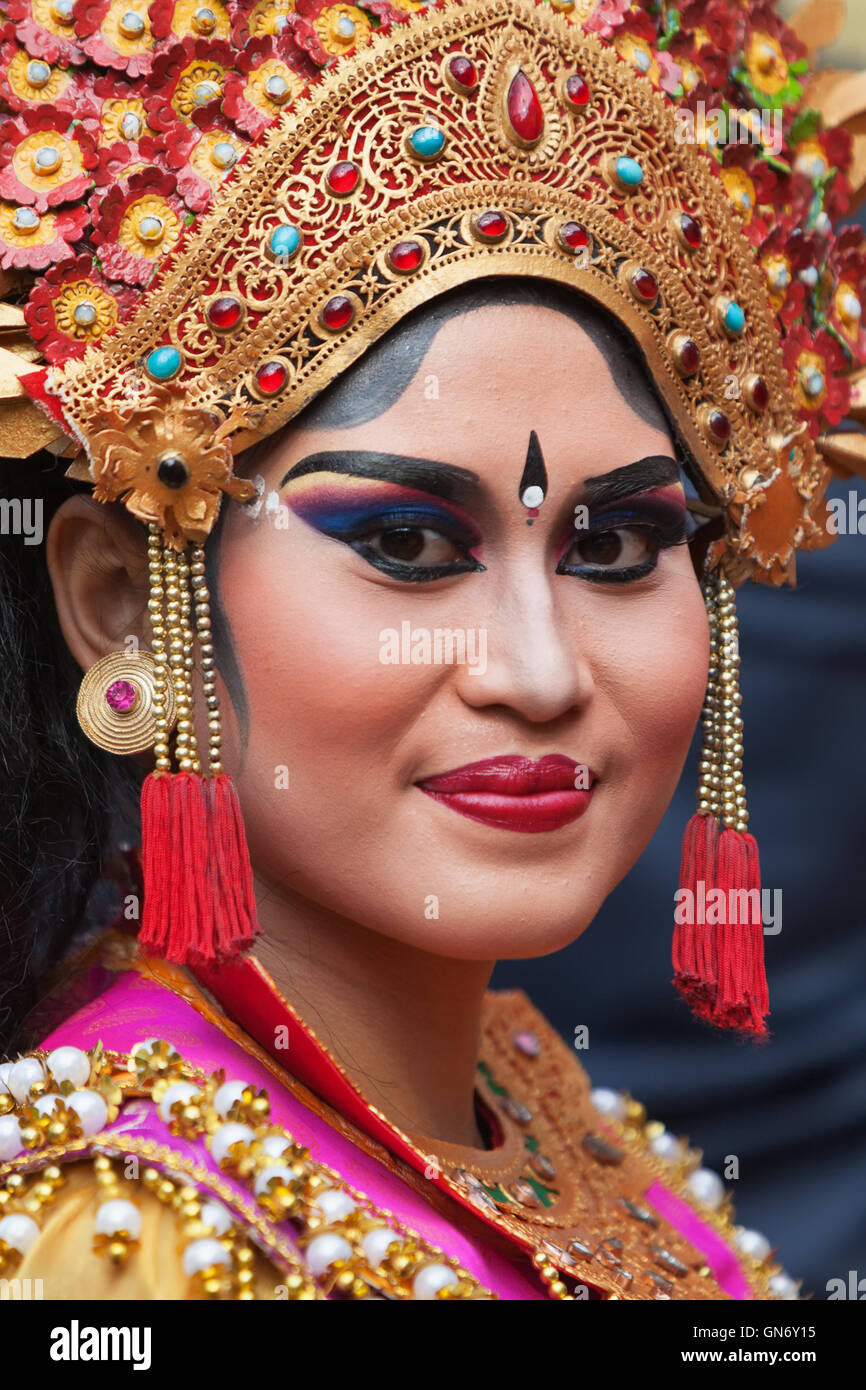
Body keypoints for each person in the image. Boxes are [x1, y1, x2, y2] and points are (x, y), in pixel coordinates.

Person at [0, 0, 861, 1301]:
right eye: (407, 544)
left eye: (619, 542)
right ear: (120, 600)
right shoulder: (120, 1229)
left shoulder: (534, 1094)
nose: (538, 668)